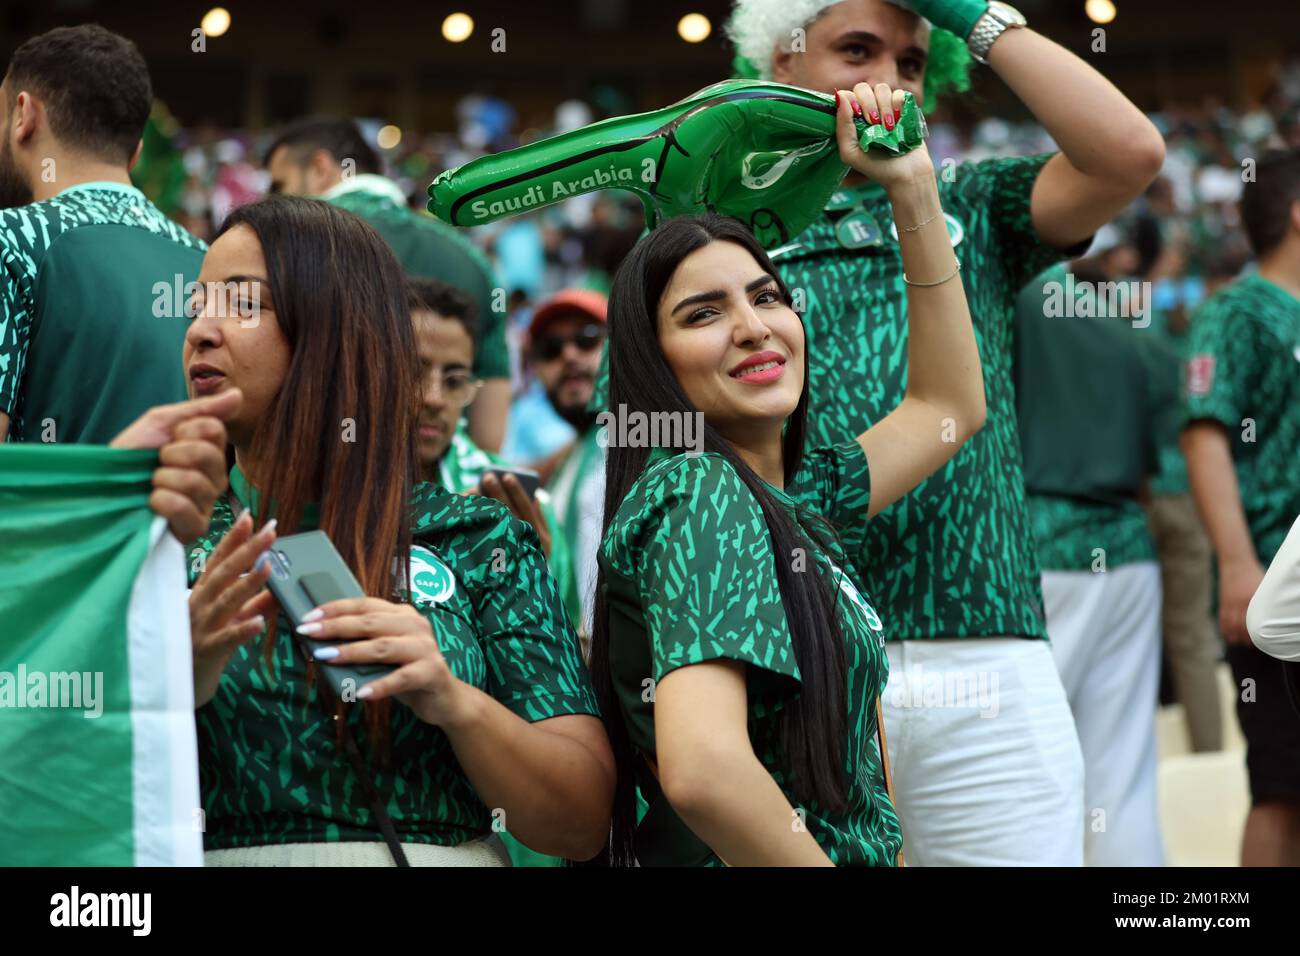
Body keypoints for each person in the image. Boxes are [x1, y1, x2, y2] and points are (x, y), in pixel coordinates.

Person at [726, 0, 1165, 864]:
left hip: (988, 647)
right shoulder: (720, 230)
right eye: (857, 49)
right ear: (778, 61)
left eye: (914, 62)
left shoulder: (974, 198)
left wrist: (971, 16)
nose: (887, 80)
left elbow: (1130, 152)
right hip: (800, 648)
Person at [592, 80, 984, 866]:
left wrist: (910, 182)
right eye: (702, 313)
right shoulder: (697, 490)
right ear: (651, 361)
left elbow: (950, 405)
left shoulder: (796, 498)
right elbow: (705, 772)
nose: (752, 327)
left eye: (766, 296)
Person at [181, 195, 613, 865]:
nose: (201, 331)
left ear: (337, 331)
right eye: (196, 305)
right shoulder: (156, 541)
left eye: (241, 305)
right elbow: (55, 788)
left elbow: (580, 821)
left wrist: (452, 702)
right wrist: (167, 674)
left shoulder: (480, 537)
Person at [1014, 238, 1165, 866]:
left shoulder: (1012, 297)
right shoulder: (1130, 326)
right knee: (1122, 770)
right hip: (1130, 546)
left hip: (1044, 542)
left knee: (1029, 761)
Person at [0, 24, 206, 444]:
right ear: (137, 152)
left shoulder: (11, 239)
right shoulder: (206, 259)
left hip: (54, 512)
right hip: (184, 511)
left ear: (24, 115)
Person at [1182, 148, 1300, 867]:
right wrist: (1235, 564)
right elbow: (1204, 433)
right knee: (1283, 787)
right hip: (1276, 587)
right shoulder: (1237, 311)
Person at [263, 117, 511, 453]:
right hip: (441, 497)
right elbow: (488, 436)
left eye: (280, 185)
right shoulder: (475, 261)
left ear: (320, 167)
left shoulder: (283, 239)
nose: (273, 201)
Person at [406, 276, 581, 643]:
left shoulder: (519, 500)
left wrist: (535, 573)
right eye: (413, 372)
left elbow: (570, 649)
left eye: (454, 380)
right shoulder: (336, 486)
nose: (435, 398)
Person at [529, 289, 609, 644]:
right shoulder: (570, 461)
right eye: (551, 349)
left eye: (588, 339)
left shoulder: (644, 431)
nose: (570, 355)